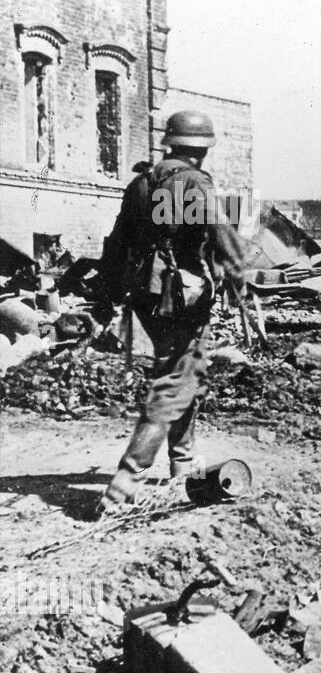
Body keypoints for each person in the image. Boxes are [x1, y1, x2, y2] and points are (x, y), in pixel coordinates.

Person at [96, 110, 247, 513]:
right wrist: (239, 277)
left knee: (186, 370)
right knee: (176, 378)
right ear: (201, 150)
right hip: (179, 295)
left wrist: (108, 297)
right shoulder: (193, 182)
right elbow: (221, 233)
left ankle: (183, 463)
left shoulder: (141, 183)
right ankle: (124, 482)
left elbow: (116, 243)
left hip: (144, 295)